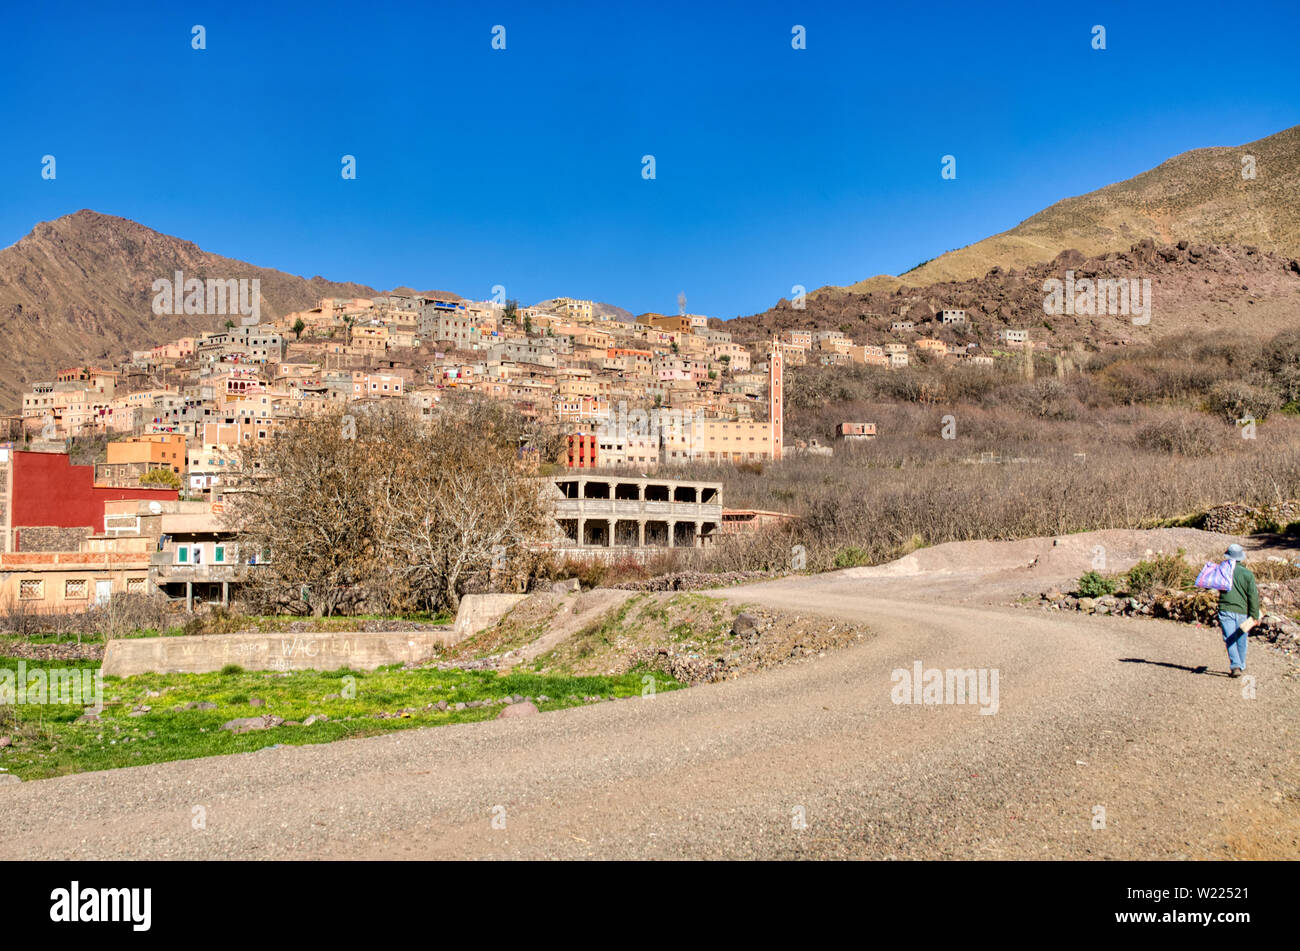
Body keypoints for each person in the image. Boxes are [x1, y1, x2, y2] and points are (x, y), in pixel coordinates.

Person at [1217, 544, 1259, 678]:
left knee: (1229, 638)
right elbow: (1253, 596)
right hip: (1242, 611)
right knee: (1241, 638)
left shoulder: (1222, 571)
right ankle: (1240, 665)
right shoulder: (1248, 574)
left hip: (1226, 609)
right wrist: (1255, 615)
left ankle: (1236, 665)